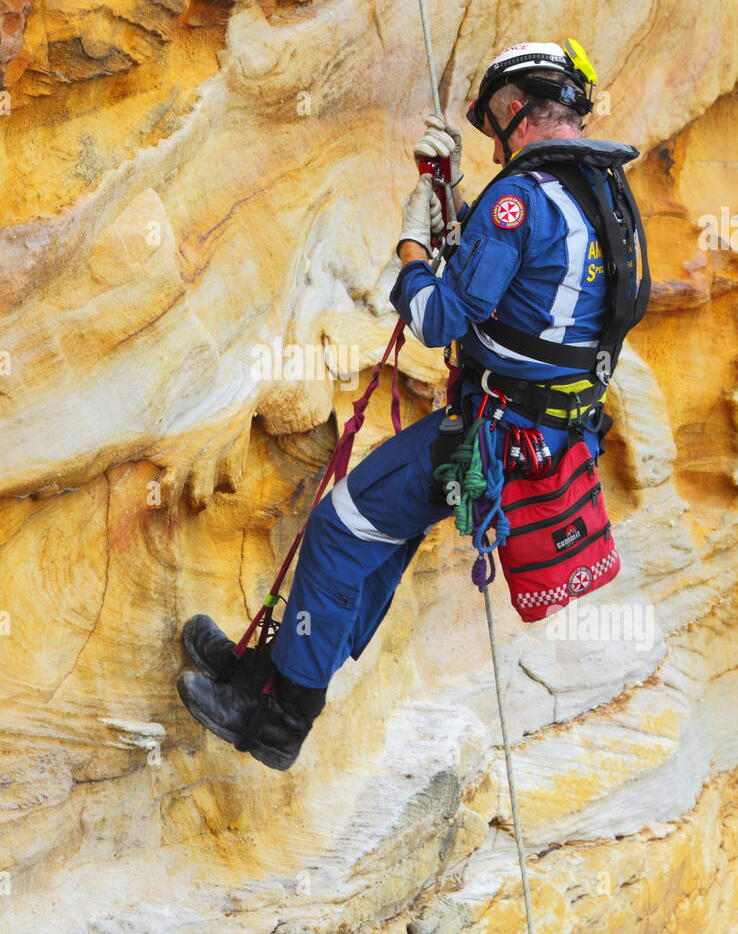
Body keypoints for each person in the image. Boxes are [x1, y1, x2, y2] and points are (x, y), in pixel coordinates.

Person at [177, 41, 633, 771]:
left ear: (514, 108)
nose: (491, 141)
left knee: (338, 527)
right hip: (540, 432)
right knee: (376, 540)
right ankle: (273, 671)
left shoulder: (522, 200)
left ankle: (279, 719)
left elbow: (437, 321)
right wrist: (457, 204)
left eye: (491, 123)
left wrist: (413, 245)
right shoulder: (602, 193)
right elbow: (530, 293)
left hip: (494, 433)